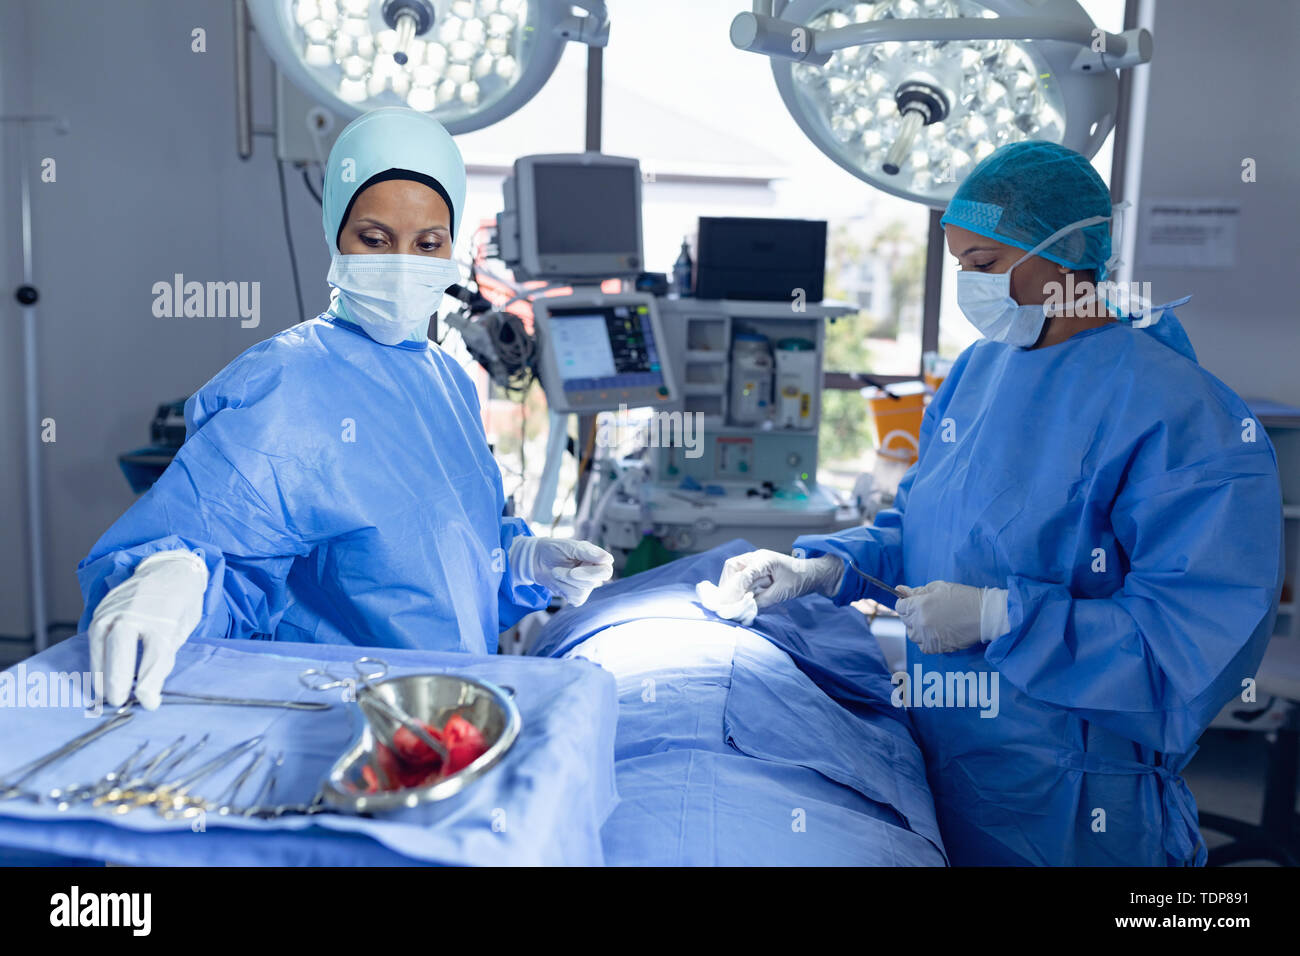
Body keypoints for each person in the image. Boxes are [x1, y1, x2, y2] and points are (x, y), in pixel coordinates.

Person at [705, 141, 1283, 866]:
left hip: (1077, 805)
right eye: (959, 267)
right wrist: (824, 568)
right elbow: (924, 526)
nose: (968, 285)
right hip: (952, 765)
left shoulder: (1176, 412)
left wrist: (1001, 616)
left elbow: (1191, 646)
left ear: (1070, 254)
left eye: (984, 265)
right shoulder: (980, 373)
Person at [79, 108, 613, 710]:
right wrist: (171, 575)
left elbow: (452, 557)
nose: (402, 260)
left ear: (451, 249)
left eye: (428, 243)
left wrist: (522, 562)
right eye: (375, 238)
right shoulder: (288, 384)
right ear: (337, 232)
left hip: (454, 710)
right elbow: (216, 552)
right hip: (334, 720)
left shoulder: (448, 382)